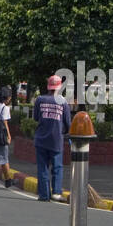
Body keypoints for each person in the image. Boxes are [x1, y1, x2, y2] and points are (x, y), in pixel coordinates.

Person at [33, 74, 72, 202]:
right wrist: (64, 132)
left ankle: (44, 195)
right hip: (56, 140)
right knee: (57, 167)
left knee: (42, 167)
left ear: (48, 86)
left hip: (41, 139)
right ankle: (56, 192)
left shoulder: (39, 99)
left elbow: (36, 118)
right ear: (60, 87)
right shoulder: (63, 102)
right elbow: (67, 123)